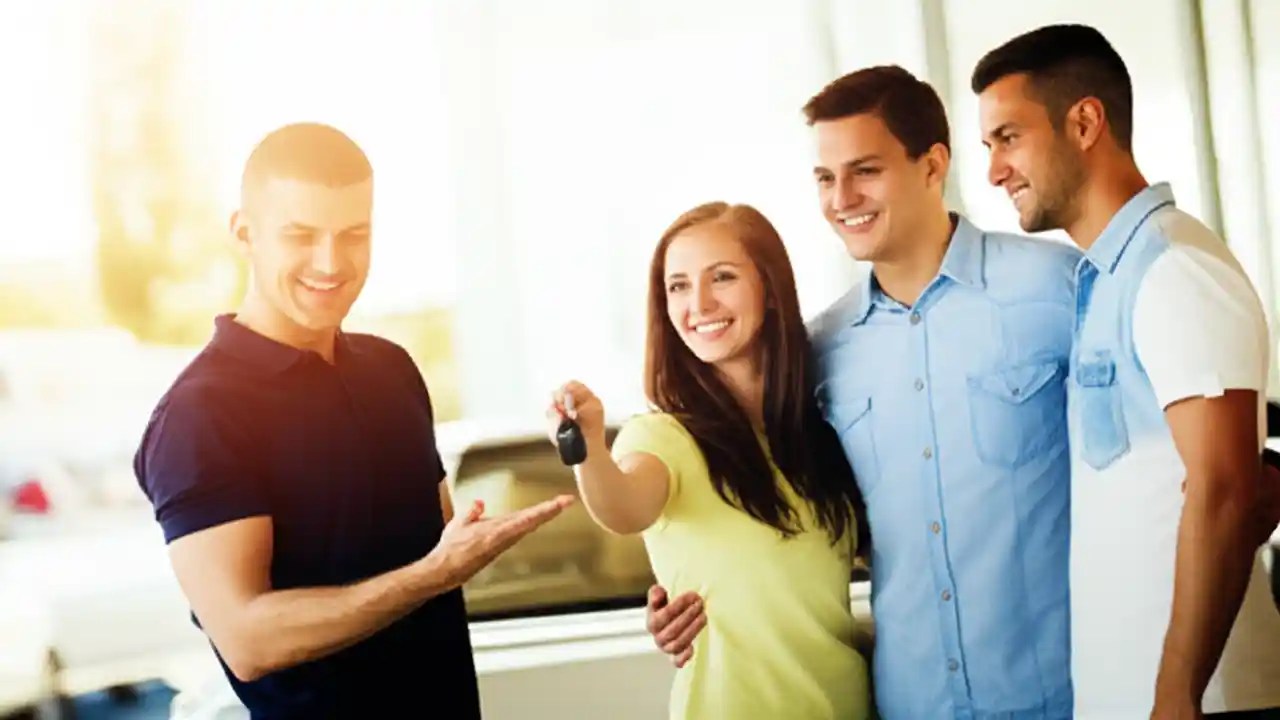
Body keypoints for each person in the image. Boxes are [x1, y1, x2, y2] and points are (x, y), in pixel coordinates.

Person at [643, 67, 1081, 719]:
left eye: (865, 170)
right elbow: (797, 522)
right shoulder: (820, 357)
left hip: (1062, 696)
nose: (841, 198)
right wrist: (689, 594)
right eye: (824, 178)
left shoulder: (1060, 291)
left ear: (933, 164)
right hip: (909, 704)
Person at [133, 122, 573, 719]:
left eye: (354, 234)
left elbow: (438, 543)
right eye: (301, 235)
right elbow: (249, 642)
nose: (330, 262)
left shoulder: (390, 369)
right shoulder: (200, 415)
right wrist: (430, 575)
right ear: (245, 233)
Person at [972, 24, 1280, 719]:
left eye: (1008, 138)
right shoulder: (1108, 276)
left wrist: (1175, 693)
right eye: (989, 146)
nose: (993, 170)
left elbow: (1227, 488)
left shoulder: (1173, 268)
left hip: (1203, 701)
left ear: (1084, 121)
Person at [546, 201, 872, 719]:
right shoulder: (663, 437)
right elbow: (622, 507)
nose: (698, 303)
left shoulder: (817, 433)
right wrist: (588, 449)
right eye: (677, 286)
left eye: (721, 277)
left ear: (769, 290)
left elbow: (818, 608)